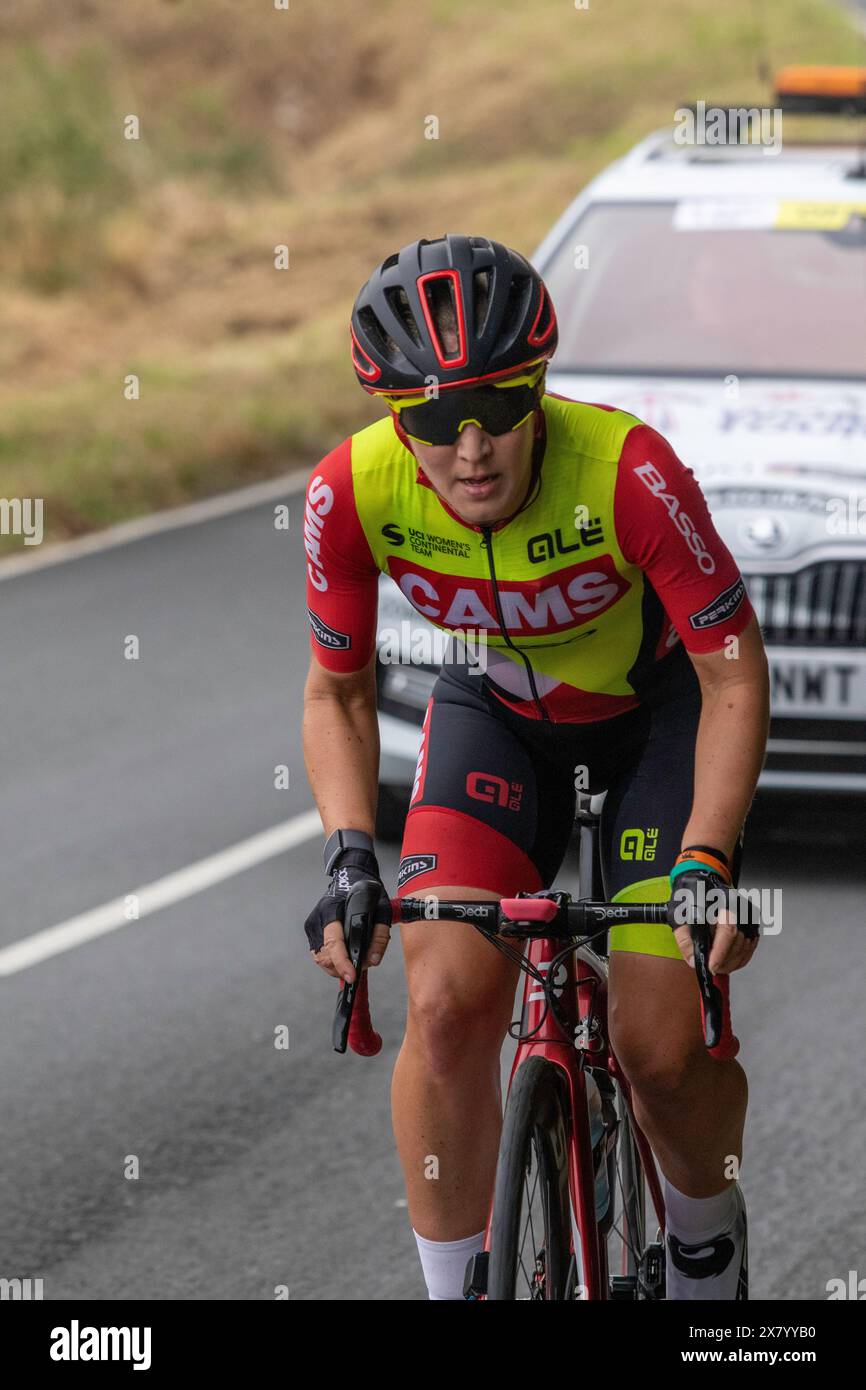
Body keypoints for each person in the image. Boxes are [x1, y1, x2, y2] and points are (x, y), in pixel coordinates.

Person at [302, 234, 769, 1301]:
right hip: (497, 715)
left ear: (537, 388)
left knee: (657, 1043)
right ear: (391, 418)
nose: (468, 447)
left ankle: (703, 1243)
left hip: (655, 720)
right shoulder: (352, 491)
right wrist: (343, 859)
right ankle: (452, 1284)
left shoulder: (627, 471)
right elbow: (336, 690)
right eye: (429, 419)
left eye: (496, 407)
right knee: (447, 1003)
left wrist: (704, 856)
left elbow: (734, 675)